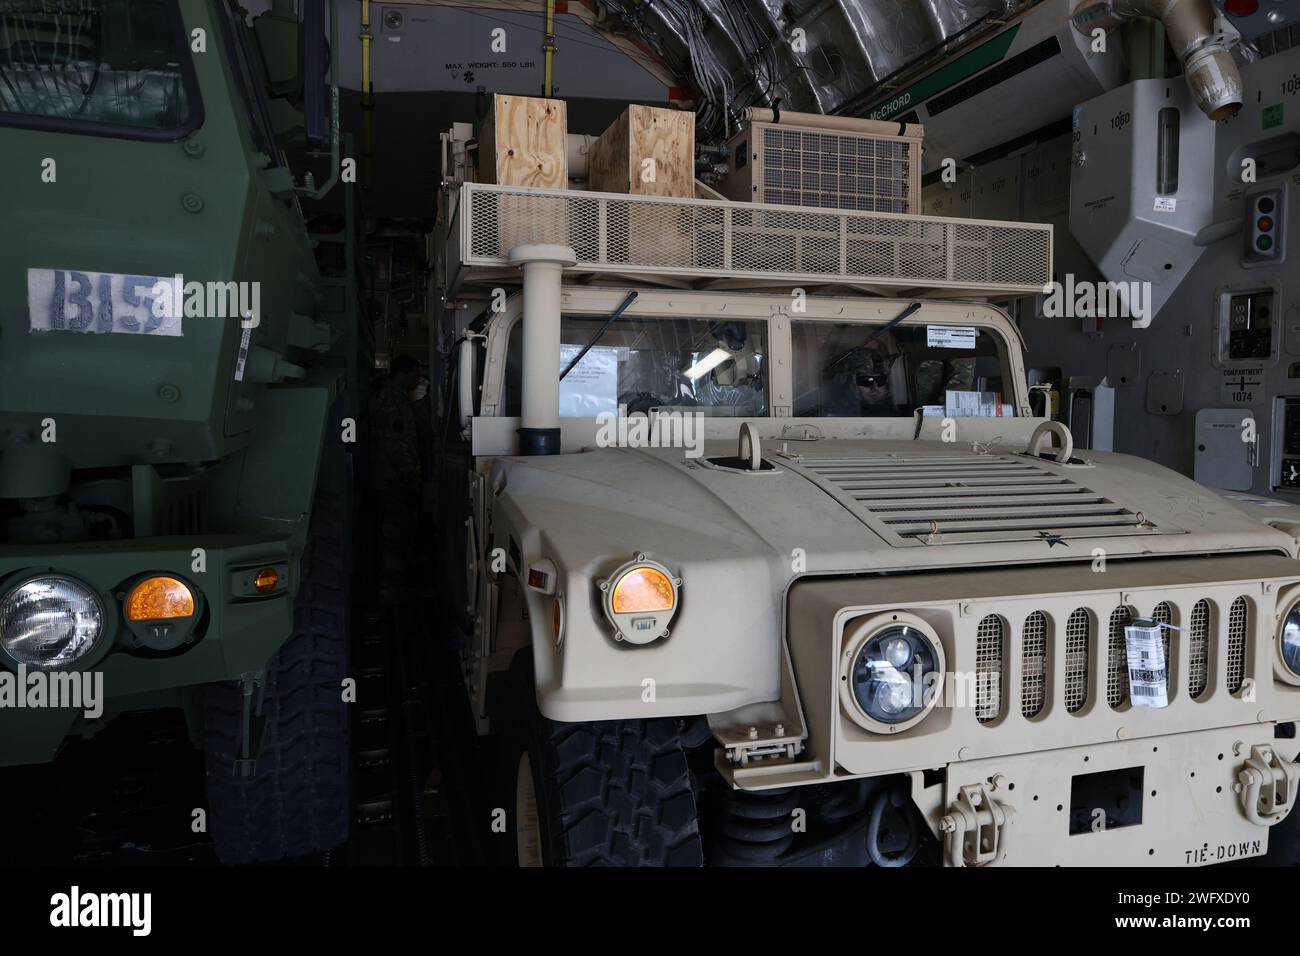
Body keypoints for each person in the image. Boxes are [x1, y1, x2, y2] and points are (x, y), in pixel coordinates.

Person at [369, 355, 424, 601]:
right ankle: (390, 591)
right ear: (404, 372)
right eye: (415, 375)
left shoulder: (394, 396)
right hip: (394, 481)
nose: (417, 380)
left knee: (397, 532)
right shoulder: (391, 400)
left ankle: (394, 585)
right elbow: (396, 444)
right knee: (394, 533)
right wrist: (411, 477)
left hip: (391, 478)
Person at [851, 350, 899, 417]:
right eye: (866, 381)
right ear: (854, 385)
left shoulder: (901, 418)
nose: (874, 388)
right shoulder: (843, 417)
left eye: (880, 380)